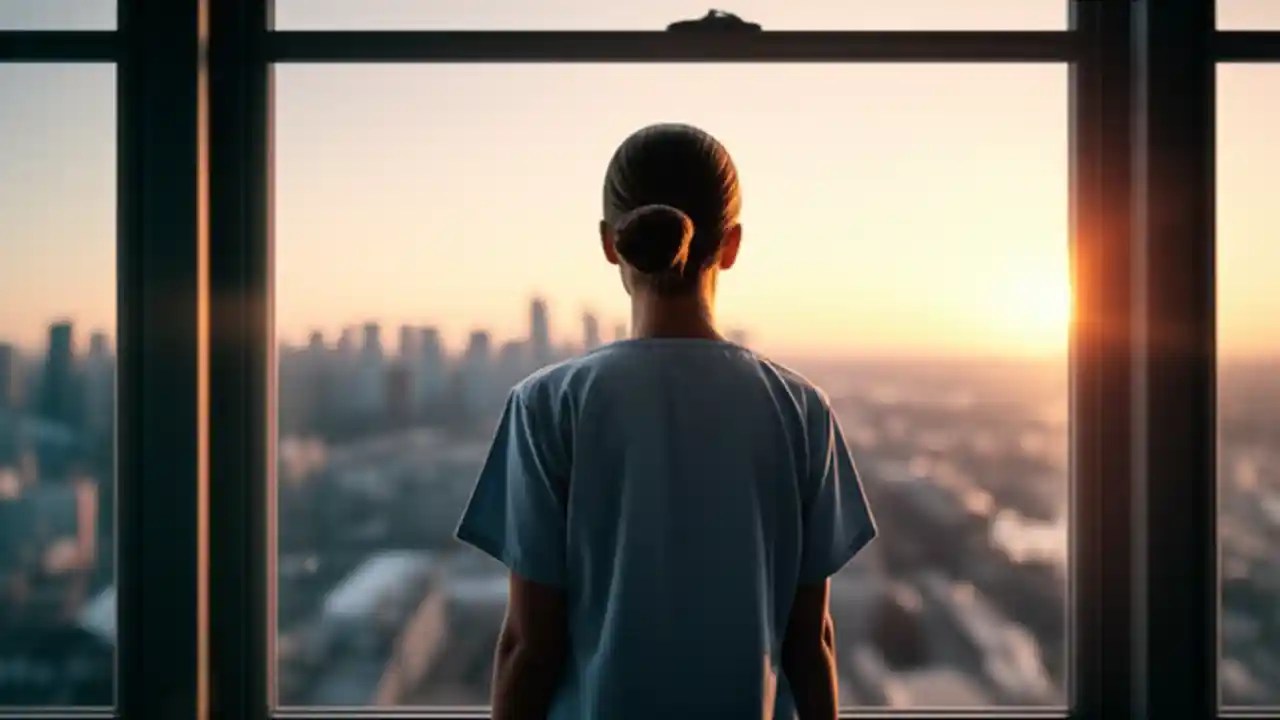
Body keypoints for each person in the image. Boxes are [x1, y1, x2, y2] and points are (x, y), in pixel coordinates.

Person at [456, 123, 876, 719]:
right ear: (730, 245)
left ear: (610, 243)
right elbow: (811, 645)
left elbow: (530, 646)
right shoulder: (799, 410)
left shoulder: (548, 406)